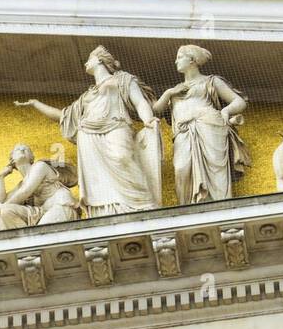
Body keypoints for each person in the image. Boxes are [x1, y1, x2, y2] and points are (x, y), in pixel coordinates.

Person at [15, 45, 161, 216]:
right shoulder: (86, 96)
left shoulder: (123, 79)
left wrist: (147, 120)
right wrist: (36, 103)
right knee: (98, 179)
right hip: (89, 136)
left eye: (89, 59)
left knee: (123, 157)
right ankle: (105, 213)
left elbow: (140, 102)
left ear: (99, 60)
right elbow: (62, 116)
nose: (85, 62)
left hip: (116, 126)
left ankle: (144, 204)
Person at [154, 44, 250, 204]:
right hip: (183, 133)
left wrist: (226, 111)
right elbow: (156, 111)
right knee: (181, 168)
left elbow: (239, 101)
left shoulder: (211, 81)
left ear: (192, 60)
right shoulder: (174, 90)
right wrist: (169, 93)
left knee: (215, 169)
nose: (175, 61)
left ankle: (220, 206)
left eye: (179, 57)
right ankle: (186, 208)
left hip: (210, 127)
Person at [0, 144, 79, 230]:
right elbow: (0, 201)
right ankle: (23, 242)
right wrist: (0, 177)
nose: (22, 149)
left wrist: (2, 206)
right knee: (2, 211)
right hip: (43, 212)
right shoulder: (21, 185)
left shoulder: (40, 166)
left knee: (41, 236)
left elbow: (26, 191)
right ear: (12, 160)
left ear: (32, 158)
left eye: (26, 149)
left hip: (60, 205)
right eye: (17, 149)